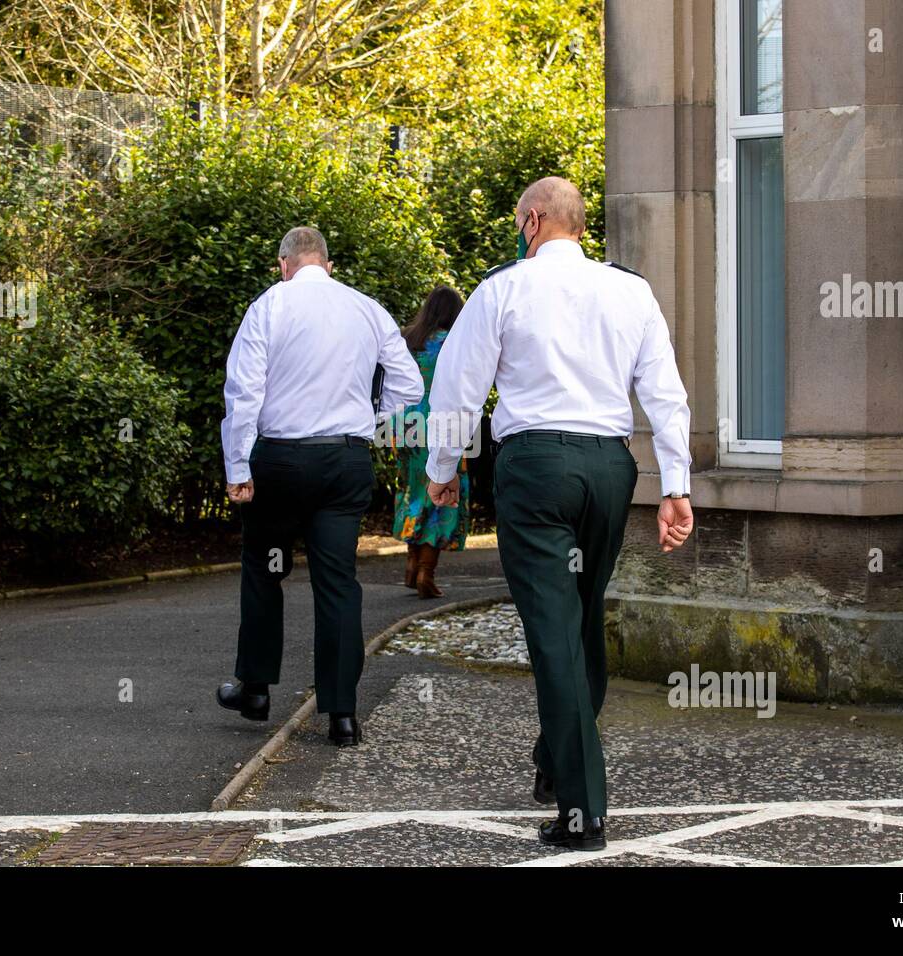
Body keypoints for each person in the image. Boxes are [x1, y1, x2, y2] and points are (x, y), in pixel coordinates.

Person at [425, 177, 695, 850]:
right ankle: (556, 758)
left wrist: (442, 469)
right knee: (579, 620)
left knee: (552, 633)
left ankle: (582, 811)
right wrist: (677, 485)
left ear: (533, 220)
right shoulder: (630, 291)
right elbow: (665, 391)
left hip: (536, 467)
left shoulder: (503, 289)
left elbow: (458, 386)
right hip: (608, 468)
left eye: (520, 219)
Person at [217, 226, 423, 747]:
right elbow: (408, 385)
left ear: (284, 263)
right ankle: (342, 715)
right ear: (327, 265)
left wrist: (238, 467)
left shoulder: (270, 306)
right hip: (344, 461)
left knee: (264, 571)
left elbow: (244, 391)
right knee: (338, 584)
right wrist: (368, 423)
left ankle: (257, 689)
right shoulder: (366, 308)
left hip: (281, 462)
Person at [392, 286, 470, 598]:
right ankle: (426, 568)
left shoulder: (407, 340)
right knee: (443, 492)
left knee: (412, 490)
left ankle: (411, 566)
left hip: (406, 426)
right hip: (445, 422)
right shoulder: (456, 343)